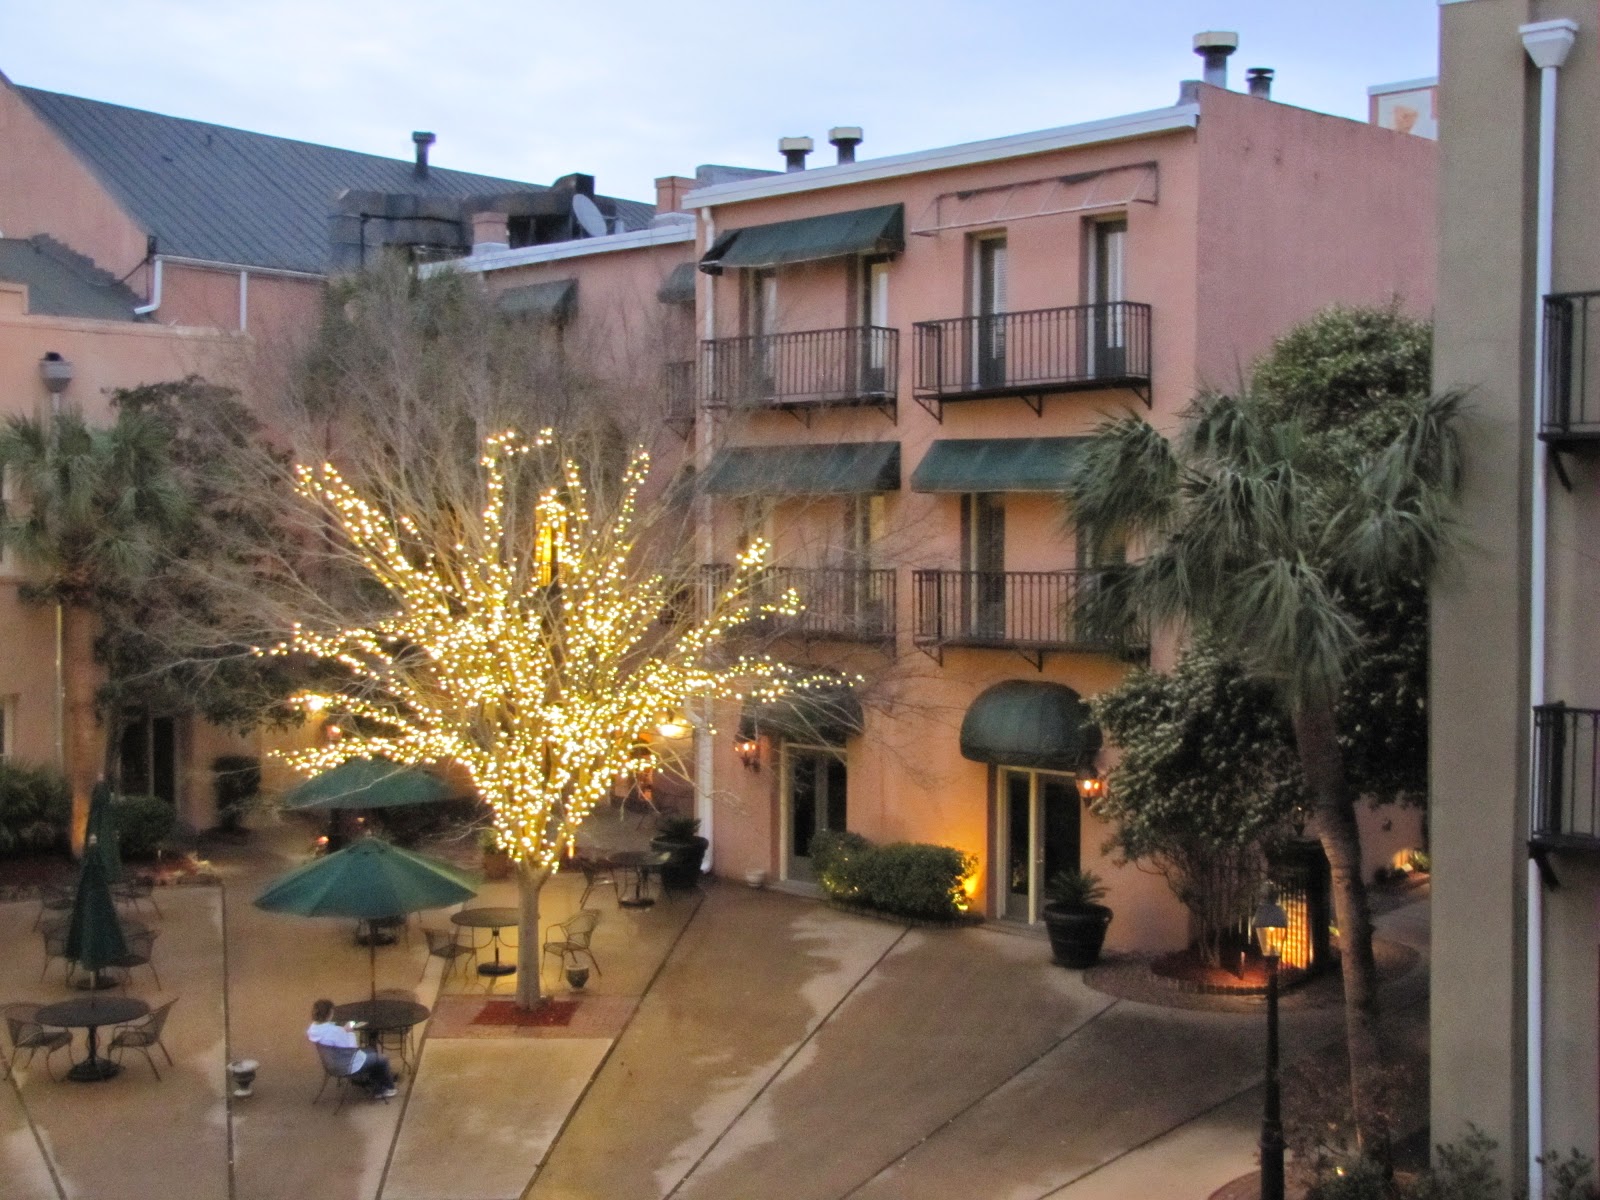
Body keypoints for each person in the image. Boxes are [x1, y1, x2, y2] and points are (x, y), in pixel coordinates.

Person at [306, 999, 398, 1098]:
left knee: (371, 1052)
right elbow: (352, 1047)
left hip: (331, 1063)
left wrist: (341, 1030)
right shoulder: (335, 1032)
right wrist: (349, 1031)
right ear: (329, 1014)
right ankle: (387, 1088)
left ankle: (375, 1081)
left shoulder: (313, 1029)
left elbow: (330, 1035)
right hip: (347, 1064)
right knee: (382, 1059)